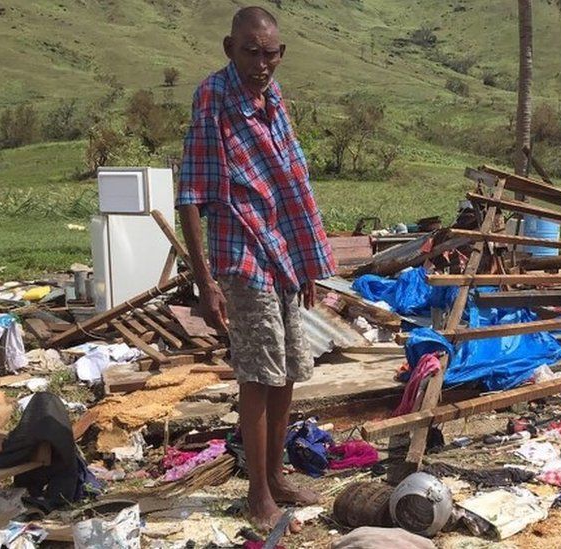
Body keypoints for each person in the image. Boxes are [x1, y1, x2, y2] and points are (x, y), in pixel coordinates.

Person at [176, 6, 335, 532]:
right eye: (250, 51)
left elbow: (291, 183)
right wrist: (206, 283)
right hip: (241, 252)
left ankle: (277, 472)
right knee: (258, 372)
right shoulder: (214, 97)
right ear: (229, 48)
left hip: (284, 252)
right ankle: (258, 493)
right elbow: (191, 195)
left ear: (280, 54)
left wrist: (308, 262)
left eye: (269, 54)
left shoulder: (273, 99)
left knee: (288, 365)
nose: (261, 63)